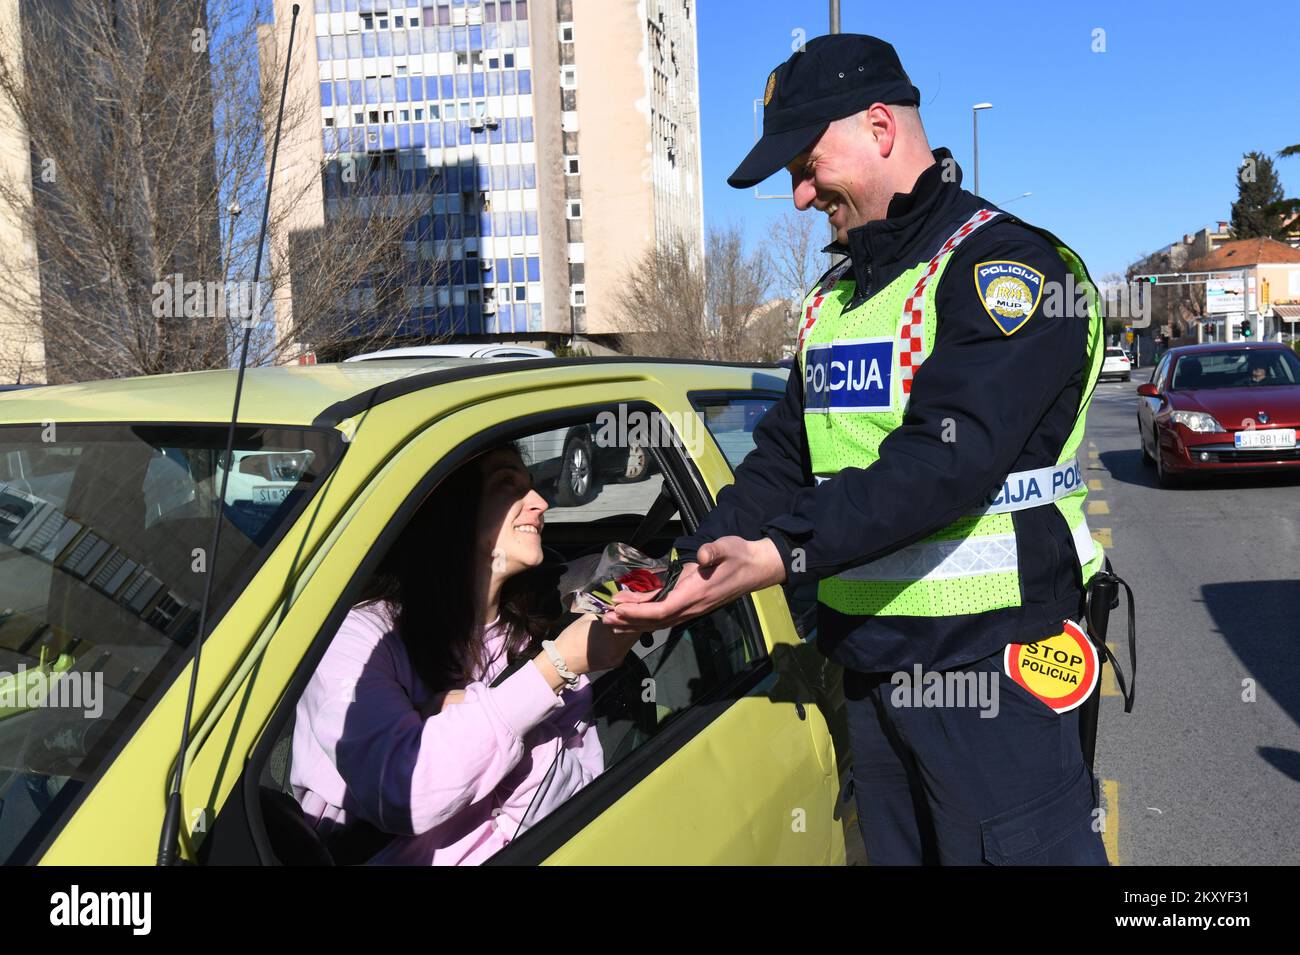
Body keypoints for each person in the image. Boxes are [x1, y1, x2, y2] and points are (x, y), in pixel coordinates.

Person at [607, 34, 1110, 865]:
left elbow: (944, 462)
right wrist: (684, 570)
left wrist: (781, 552)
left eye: (807, 164)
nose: (800, 195)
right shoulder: (836, 301)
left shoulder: (1009, 269)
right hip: (870, 681)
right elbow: (781, 460)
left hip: (990, 682)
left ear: (880, 126)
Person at [292, 442, 641, 864]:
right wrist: (546, 677)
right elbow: (405, 792)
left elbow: (576, 800)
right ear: (450, 508)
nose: (540, 502)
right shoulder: (361, 637)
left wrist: (462, 710)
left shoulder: (540, 636)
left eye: (530, 486)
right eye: (508, 486)